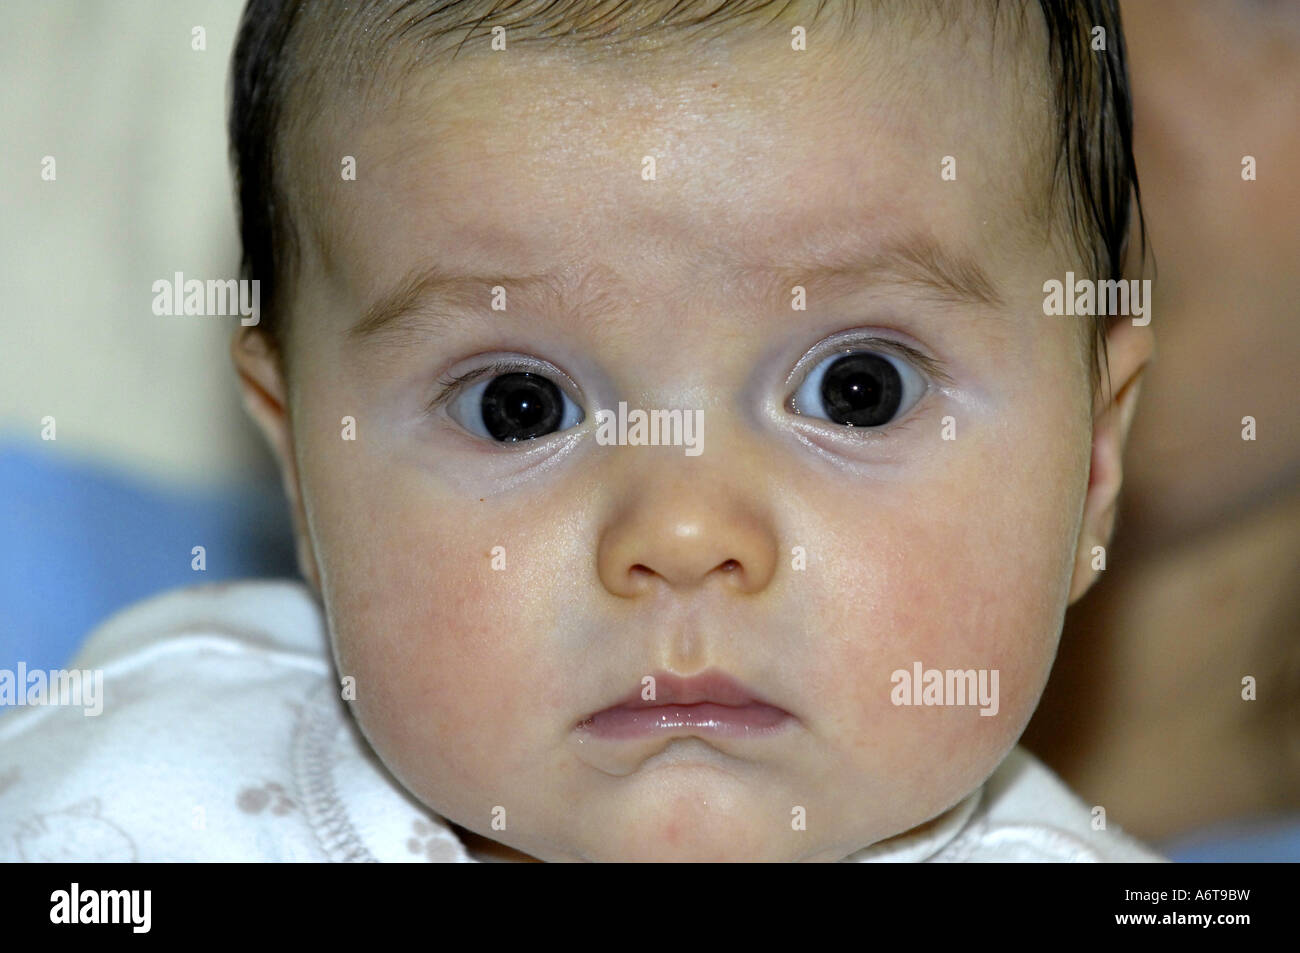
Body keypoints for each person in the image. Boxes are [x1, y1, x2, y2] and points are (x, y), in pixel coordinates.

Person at [0, 0, 1163, 862]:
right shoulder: (133, 803)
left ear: (1092, 466)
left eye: (857, 389)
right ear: (304, 471)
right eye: (520, 407)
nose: (685, 531)